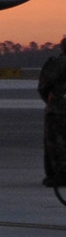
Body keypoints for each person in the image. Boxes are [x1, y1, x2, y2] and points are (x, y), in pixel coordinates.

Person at [41, 36, 66, 194]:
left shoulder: (57, 64)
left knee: (57, 143)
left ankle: (60, 174)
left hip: (59, 110)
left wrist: (52, 103)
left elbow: (43, 86)